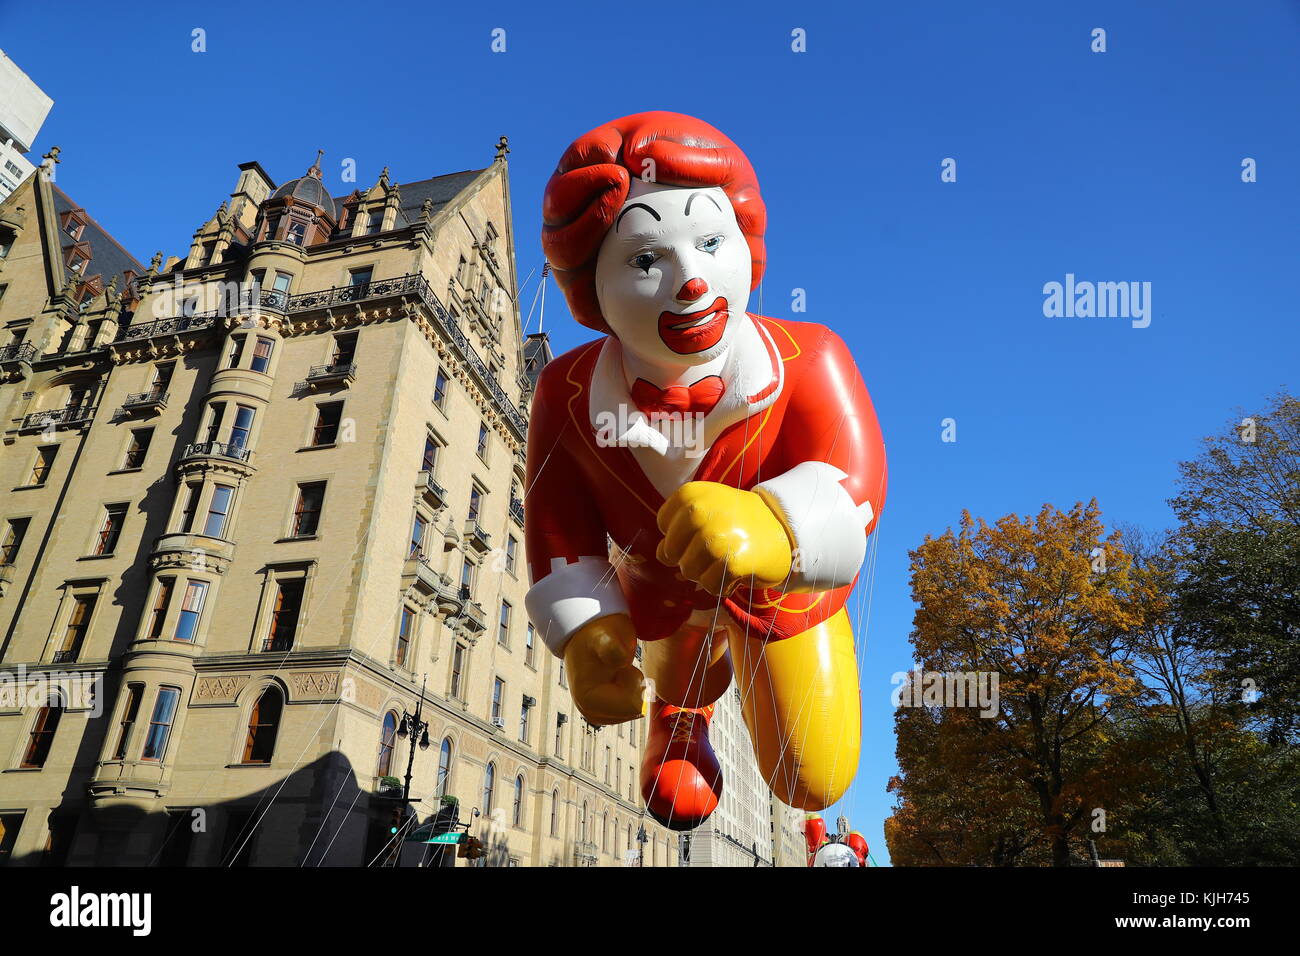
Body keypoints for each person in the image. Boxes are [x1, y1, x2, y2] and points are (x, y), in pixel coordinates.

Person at [526, 111, 887, 829]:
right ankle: (683, 709)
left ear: (744, 247)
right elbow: (556, 520)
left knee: (810, 777)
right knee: (675, 784)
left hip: (781, 591)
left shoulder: (809, 358)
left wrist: (780, 525)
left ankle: (771, 658)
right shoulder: (563, 395)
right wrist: (588, 633)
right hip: (661, 604)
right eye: (644, 259)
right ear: (591, 287)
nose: (690, 280)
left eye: (710, 241)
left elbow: (855, 474)